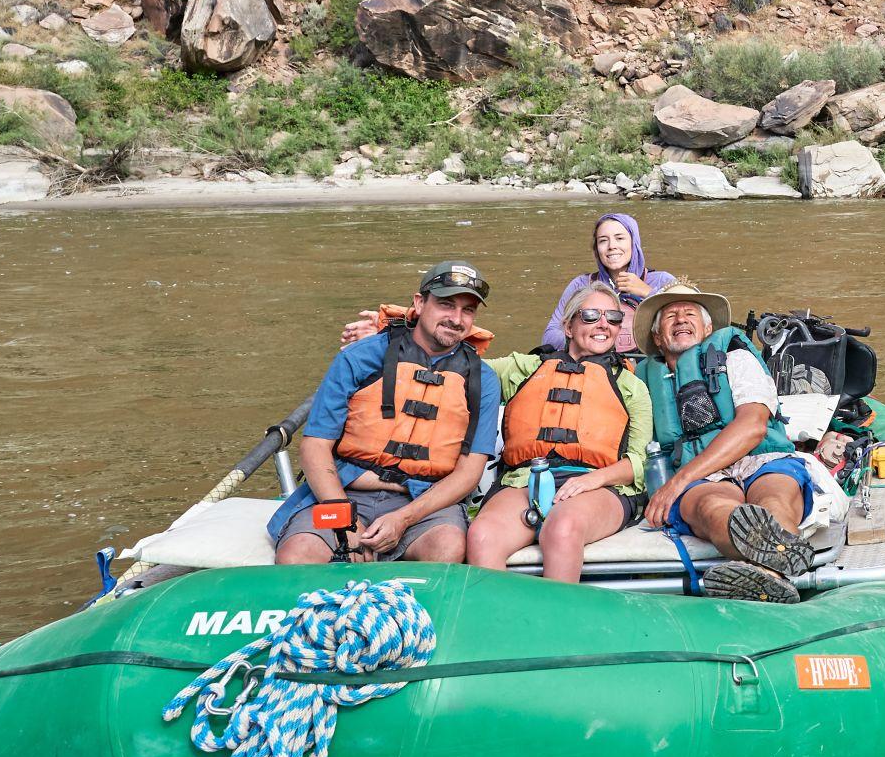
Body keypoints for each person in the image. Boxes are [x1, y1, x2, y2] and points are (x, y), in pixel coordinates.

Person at [275, 261, 503, 565]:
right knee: (297, 553)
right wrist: (345, 520)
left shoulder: (482, 380)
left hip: (425, 505)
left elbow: (469, 472)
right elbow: (315, 446)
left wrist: (404, 518)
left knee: (447, 548)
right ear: (419, 303)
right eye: (446, 305)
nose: (456, 319)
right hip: (344, 493)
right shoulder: (361, 357)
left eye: (468, 310)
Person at [630, 282, 817, 602]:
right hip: (702, 477)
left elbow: (753, 426)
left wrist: (677, 483)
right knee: (712, 508)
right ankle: (772, 574)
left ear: (707, 329)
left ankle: (766, 572)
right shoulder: (642, 380)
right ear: (658, 338)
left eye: (690, 313)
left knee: (774, 499)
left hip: (760, 457)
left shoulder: (735, 357)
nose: (680, 319)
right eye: (670, 316)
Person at [460, 280, 656, 583]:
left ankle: (557, 613)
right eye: (590, 315)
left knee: (562, 528)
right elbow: (463, 369)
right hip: (525, 480)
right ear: (568, 326)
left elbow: (640, 461)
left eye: (613, 317)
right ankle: (502, 612)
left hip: (600, 487)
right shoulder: (524, 368)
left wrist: (593, 480)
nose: (603, 324)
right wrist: (417, 330)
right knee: (482, 535)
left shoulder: (631, 386)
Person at [538, 213, 672, 354]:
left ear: (634, 243)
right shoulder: (581, 284)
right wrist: (590, 341)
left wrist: (650, 293)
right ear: (596, 249)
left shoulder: (662, 281)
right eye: (603, 240)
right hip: (592, 362)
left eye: (619, 238)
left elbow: (685, 327)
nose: (611, 246)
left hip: (648, 363)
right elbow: (550, 335)